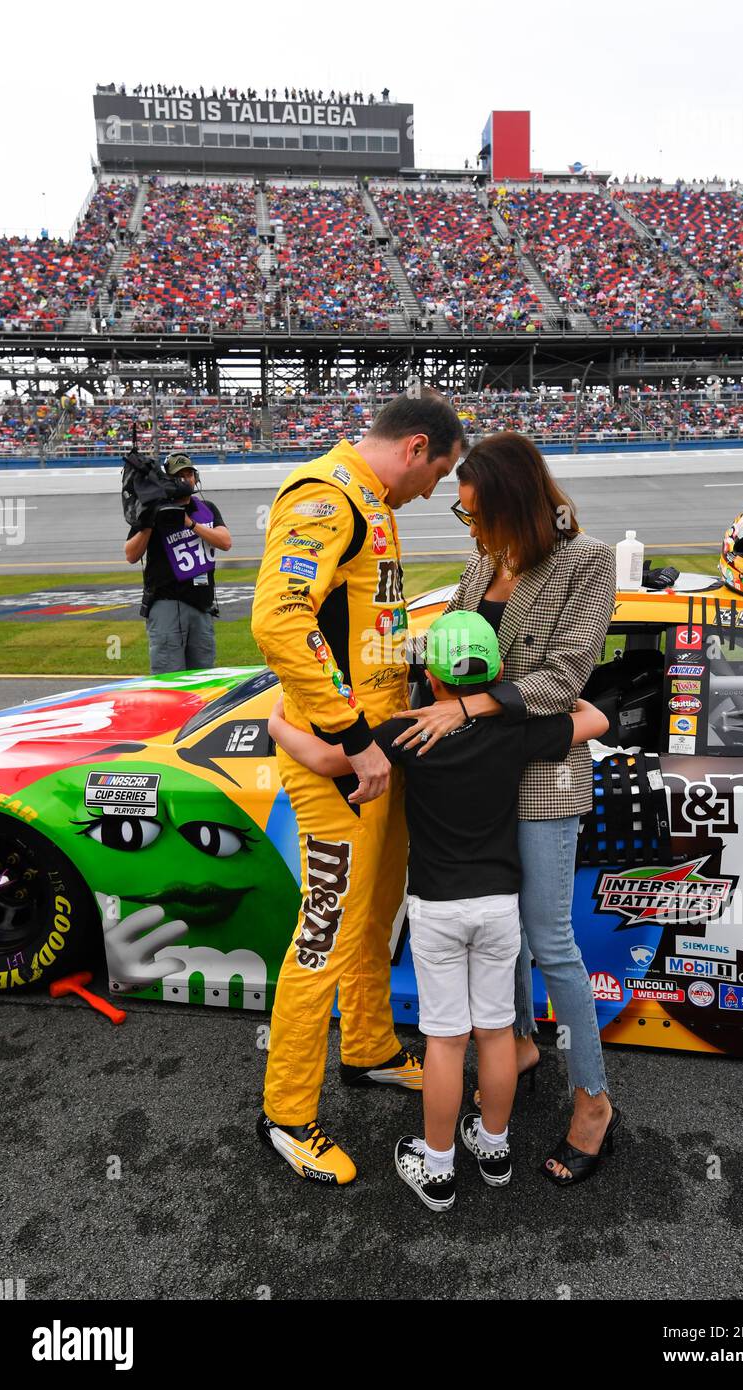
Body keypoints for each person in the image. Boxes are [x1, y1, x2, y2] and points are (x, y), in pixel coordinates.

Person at [268, 610, 610, 1210]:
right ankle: (496, 1148)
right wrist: (504, 704)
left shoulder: (406, 730)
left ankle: (438, 1166)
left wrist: (278, 726)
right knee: (497, 1033)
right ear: (498, 668)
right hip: (500, 908)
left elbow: (326, 762)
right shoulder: (511, 731)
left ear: (429, 672)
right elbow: (596, 718)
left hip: (436, 911)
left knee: (446, 1043)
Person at [392, 431, 621, 1187]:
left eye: (476, 514)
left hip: (541, 779)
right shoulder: (483, 562)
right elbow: (448, 661)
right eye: (464, 516)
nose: (470, 527)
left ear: (516, 505)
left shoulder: (584, 563)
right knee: (504, 940)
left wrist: (468, 714)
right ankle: (516, 1050)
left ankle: (592, 1103)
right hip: (483, 778)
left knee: (550, 944)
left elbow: (564, 679)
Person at [250, 389, 466, 1187]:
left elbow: (362, 628)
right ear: (416, 447)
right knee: (324, 934)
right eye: (438, 474)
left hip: (377, 754)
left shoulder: (371, 503)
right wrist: (347, 737)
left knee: (376, 913)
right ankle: (286, 1112)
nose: (434, 491)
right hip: (340, 768)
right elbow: (279, 620)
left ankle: (369, 1046)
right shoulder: (323, 495)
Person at [124, 453, 231, 675]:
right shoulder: (154, 509)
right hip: (166, 602)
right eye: (179, 476)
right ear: (168, 480)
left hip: (202, 604)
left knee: (204, 675)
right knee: (169, 676)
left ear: (196, 477)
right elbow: (131, 554)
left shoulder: (206, 508)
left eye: (189, 474)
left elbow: (225, 541)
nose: (186, 480)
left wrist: (190, 524)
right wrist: (150, 522)